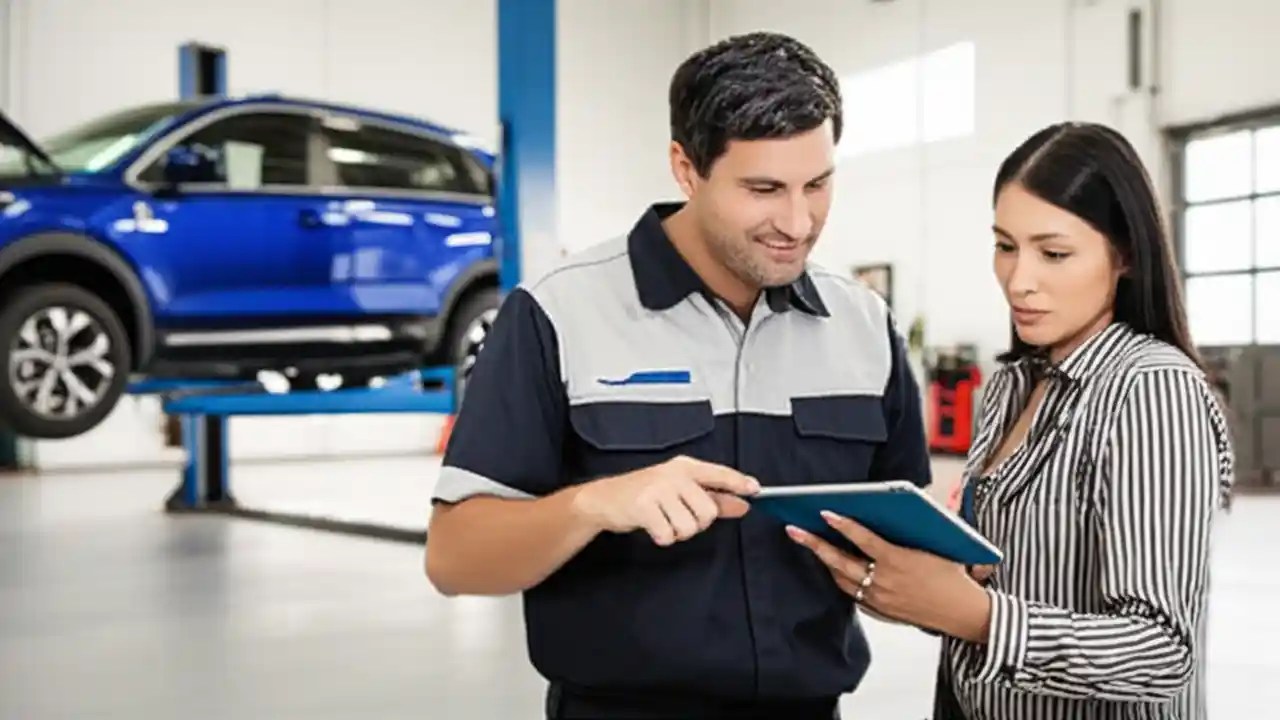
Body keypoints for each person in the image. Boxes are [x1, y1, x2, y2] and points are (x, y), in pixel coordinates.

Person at [423, 31, 932, 720]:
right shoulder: (558, 314)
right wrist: (592, 505)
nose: (798, 220)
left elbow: (909, 557)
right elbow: (455, 559)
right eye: (763, 188)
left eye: (818, 184)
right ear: (685, 169)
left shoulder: (865, 326)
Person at [787, 121, 1235, 720]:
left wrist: (977, 616)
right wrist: (923, 588)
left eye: (1054, 253)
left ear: (1124, 254)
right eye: (1005, 246)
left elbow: (1161, 651)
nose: (1019, 280)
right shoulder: (1009, 387)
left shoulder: (1150, 390)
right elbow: (997, 585)